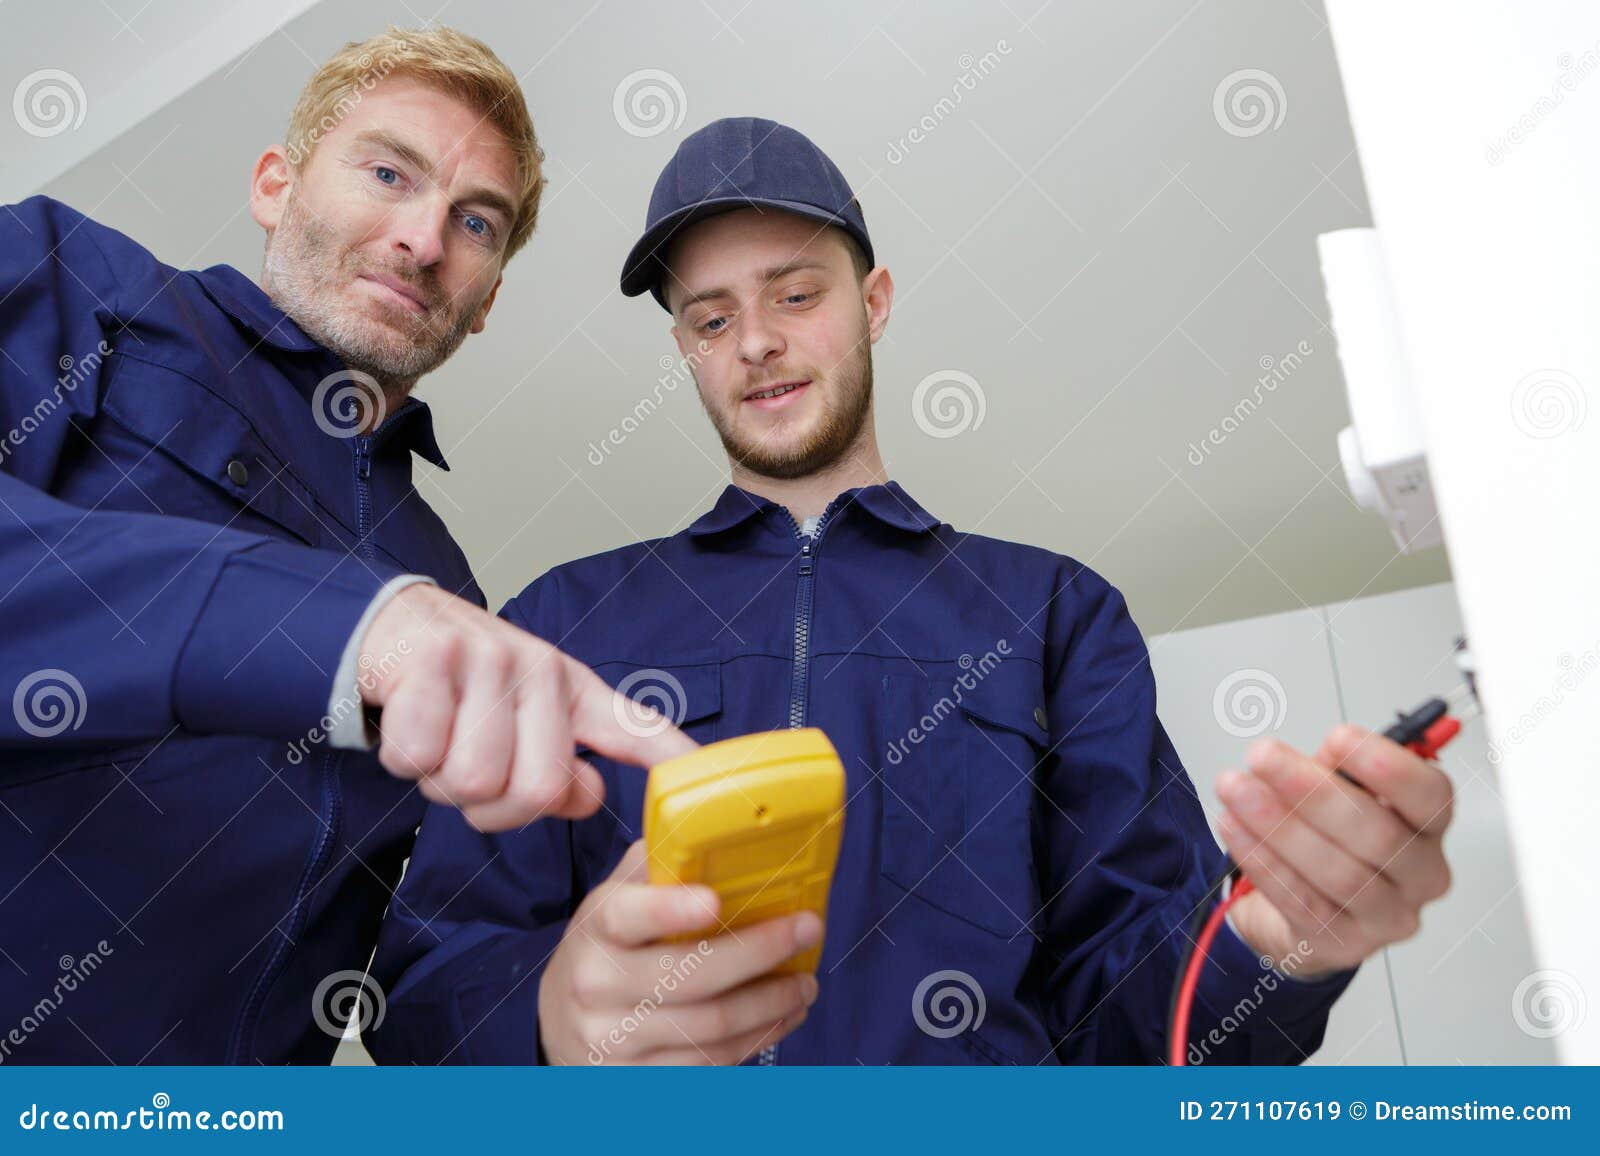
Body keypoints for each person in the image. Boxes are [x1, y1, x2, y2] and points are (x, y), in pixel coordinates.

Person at [368, 118, 1456, 1065]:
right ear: (685, 351)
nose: (756, 341)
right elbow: (423, 995)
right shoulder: (564, 622)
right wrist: (554, 1022)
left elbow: (1144, 1028)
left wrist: (1277, 943)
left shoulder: (1053, 617)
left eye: (797, 293)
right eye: (710, 319)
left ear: (873, 301)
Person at [0, 26, 688, 1065]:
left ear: (488, 298)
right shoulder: (66, 279)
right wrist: (340, 631)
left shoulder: (454, 595)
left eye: (475, 222)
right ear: (276, 184)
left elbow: (410, 989)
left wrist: (559, 1015)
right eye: (385, 172)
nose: (423, 240)